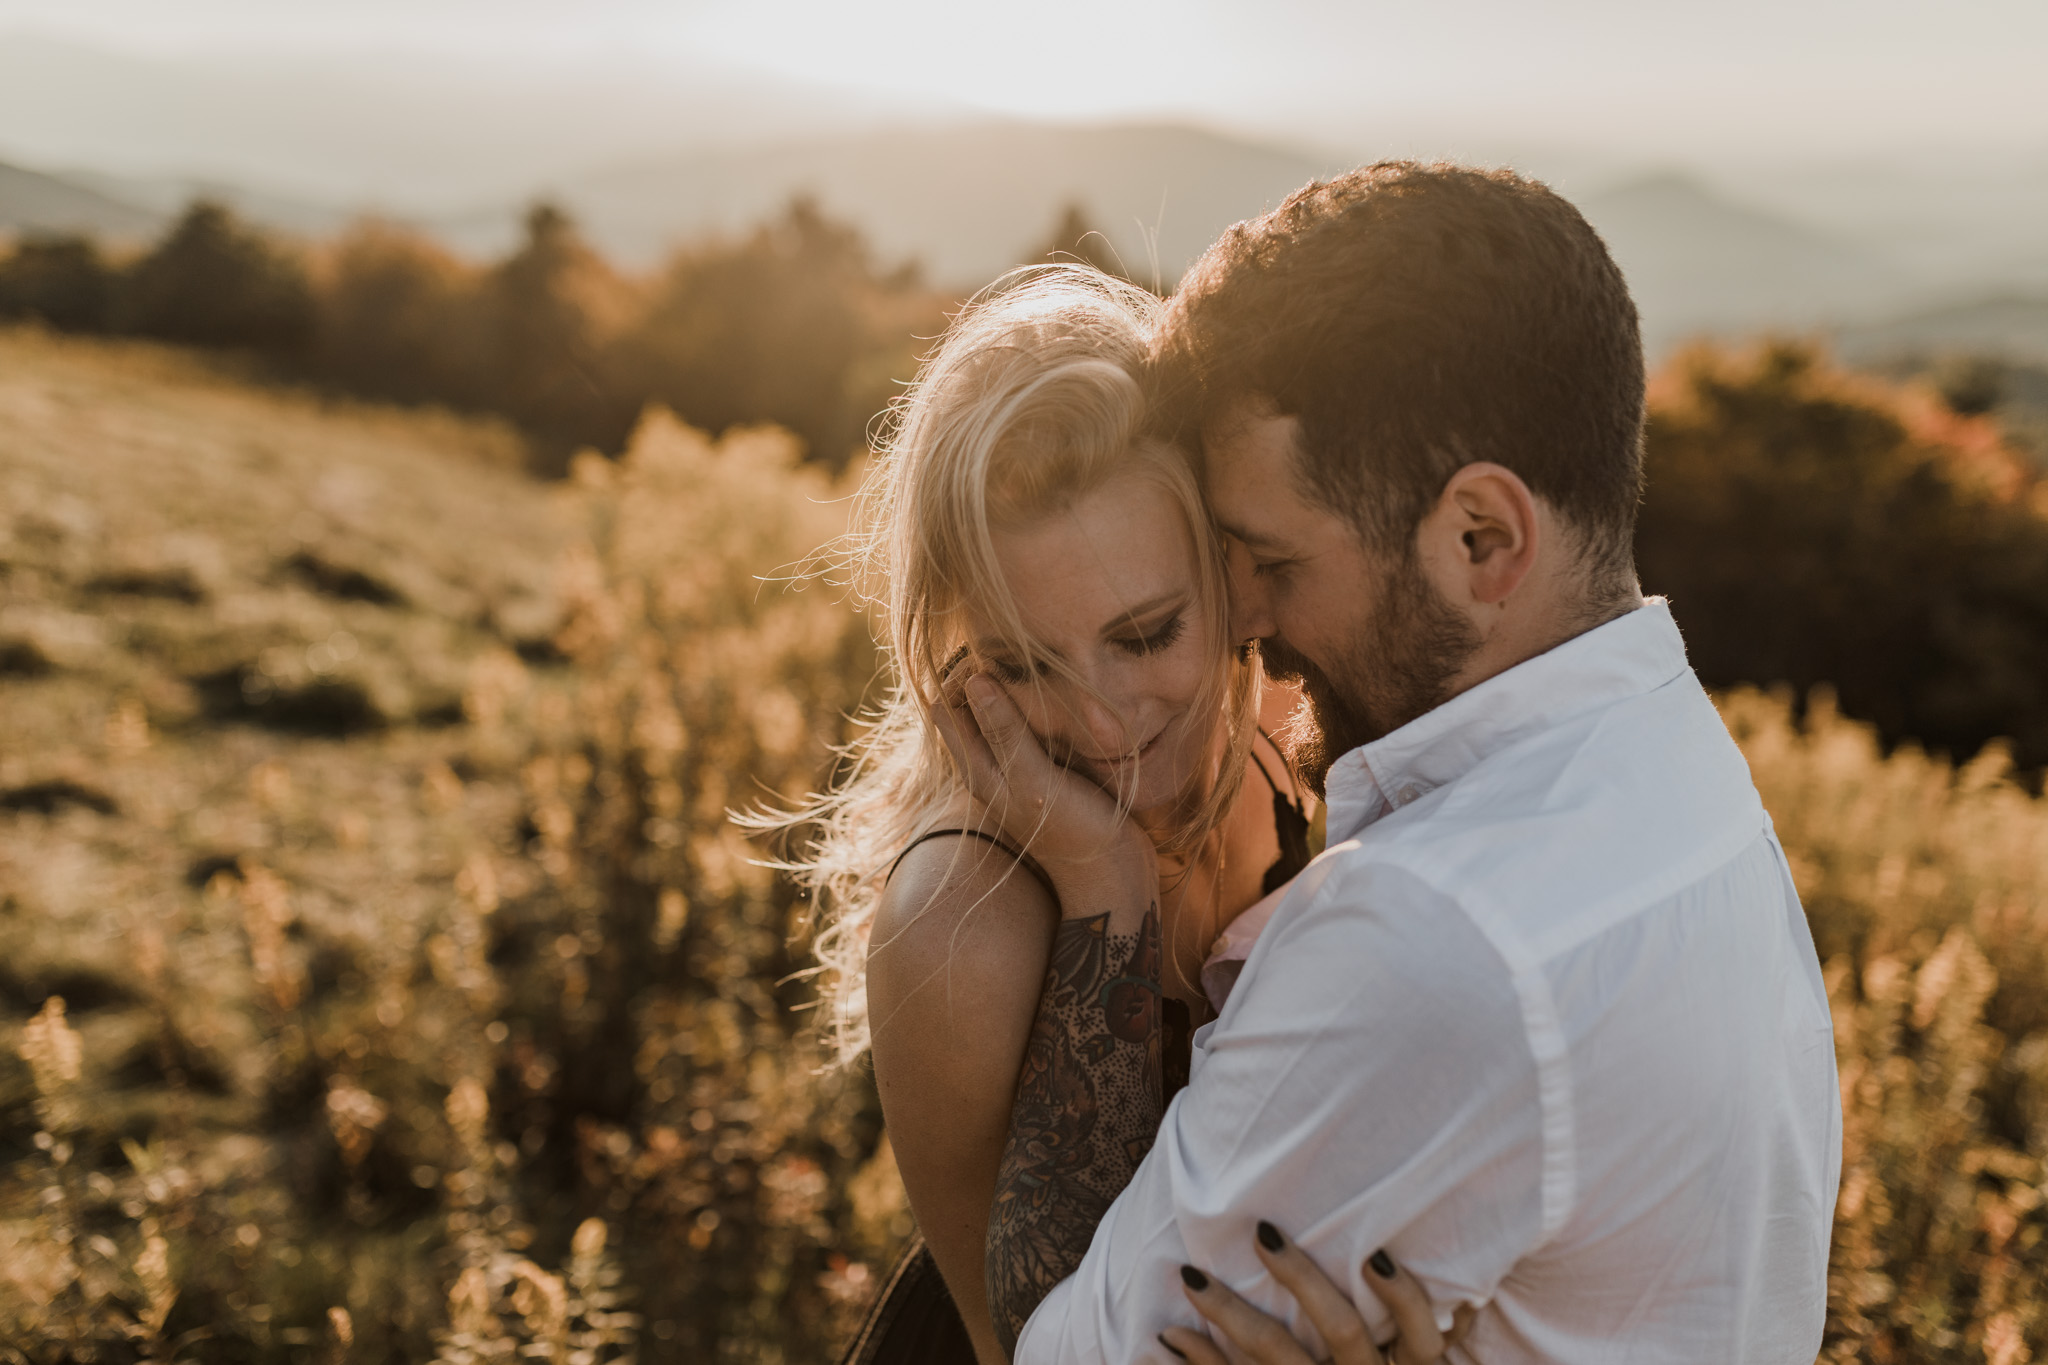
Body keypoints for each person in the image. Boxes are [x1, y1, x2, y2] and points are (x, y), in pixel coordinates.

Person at [946, 162, 1842, 1363]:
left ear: (1481, 538)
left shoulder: (1435, 934)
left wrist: (1100, 880)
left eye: (1273, 558)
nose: (1246, 616)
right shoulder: (1678, 775)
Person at [768, 267, 1328, 1365]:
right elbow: (1041, 1343)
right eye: (1023, 664)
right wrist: (1102, 884)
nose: (1101, 722)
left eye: (1144, 634)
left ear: (1227, 566)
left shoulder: (1301, 724)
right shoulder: (958, 927)